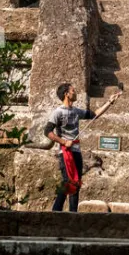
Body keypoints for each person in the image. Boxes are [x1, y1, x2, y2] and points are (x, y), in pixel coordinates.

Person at [45, 83, 121, 212]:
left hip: (76, 151)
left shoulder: (76, 111)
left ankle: (71, 212)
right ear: (66, 94)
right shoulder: (57, 112)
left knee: (76, 182)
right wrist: (63, 141)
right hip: (65, 152)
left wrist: (109, 102)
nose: (75, 92)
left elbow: (95, 115)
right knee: (67, 181)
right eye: (73, 90)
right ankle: (57, 211)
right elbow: (47, 131)